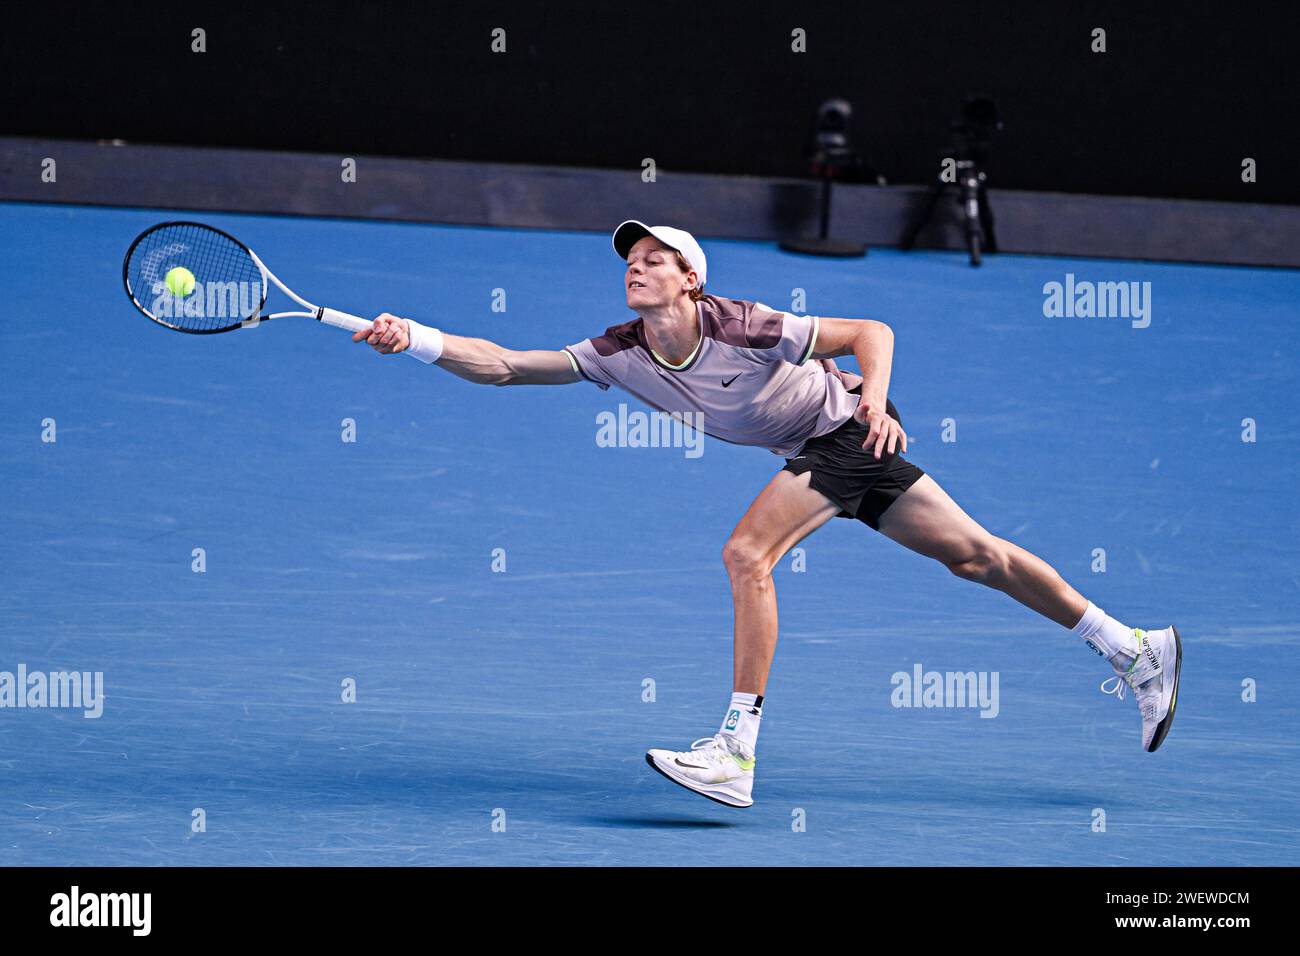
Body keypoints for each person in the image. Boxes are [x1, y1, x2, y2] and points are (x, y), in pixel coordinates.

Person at [354, 220, 1182, 808]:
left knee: (747, 556)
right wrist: (418, 338)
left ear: (691, 279)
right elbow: (504, 366)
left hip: (844, 432)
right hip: (823, 448)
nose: (637, 268)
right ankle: (1134, 647)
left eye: (656, 258)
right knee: (976, 558)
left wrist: (878, 408)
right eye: (632, 259)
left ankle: (735, 751)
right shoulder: (619, 351)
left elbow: (871, 329)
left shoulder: (742, 324)